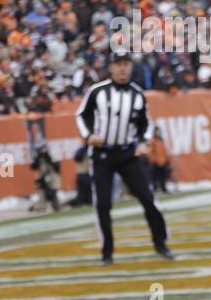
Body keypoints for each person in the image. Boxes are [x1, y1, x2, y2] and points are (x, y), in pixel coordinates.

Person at [74, 52, 173, 264]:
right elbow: (82, 115)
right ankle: (106, 252)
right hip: (102, 155)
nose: (122, 69)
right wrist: (89, 135)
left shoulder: (137, 94)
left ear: (130, 67)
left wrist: (145, 143)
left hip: (128, 153)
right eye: (118, 64)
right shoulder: (97, 91)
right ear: (111, 68)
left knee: (148, 199)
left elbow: (146, 123)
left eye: (125, 64)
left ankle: (161, 243)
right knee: (102, 204)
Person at [148, 128, 172, 194]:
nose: (158, 133)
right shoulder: (153, 141)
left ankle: (163, 188)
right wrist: (153, 160)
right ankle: (155, 189)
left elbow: (164, 151)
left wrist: (166, 159)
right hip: (155, 161)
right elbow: (150, 152)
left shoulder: (161, 140)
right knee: (154, 177)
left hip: (163, 161)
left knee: (163, 176)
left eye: (158, 131)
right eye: (156, 132)